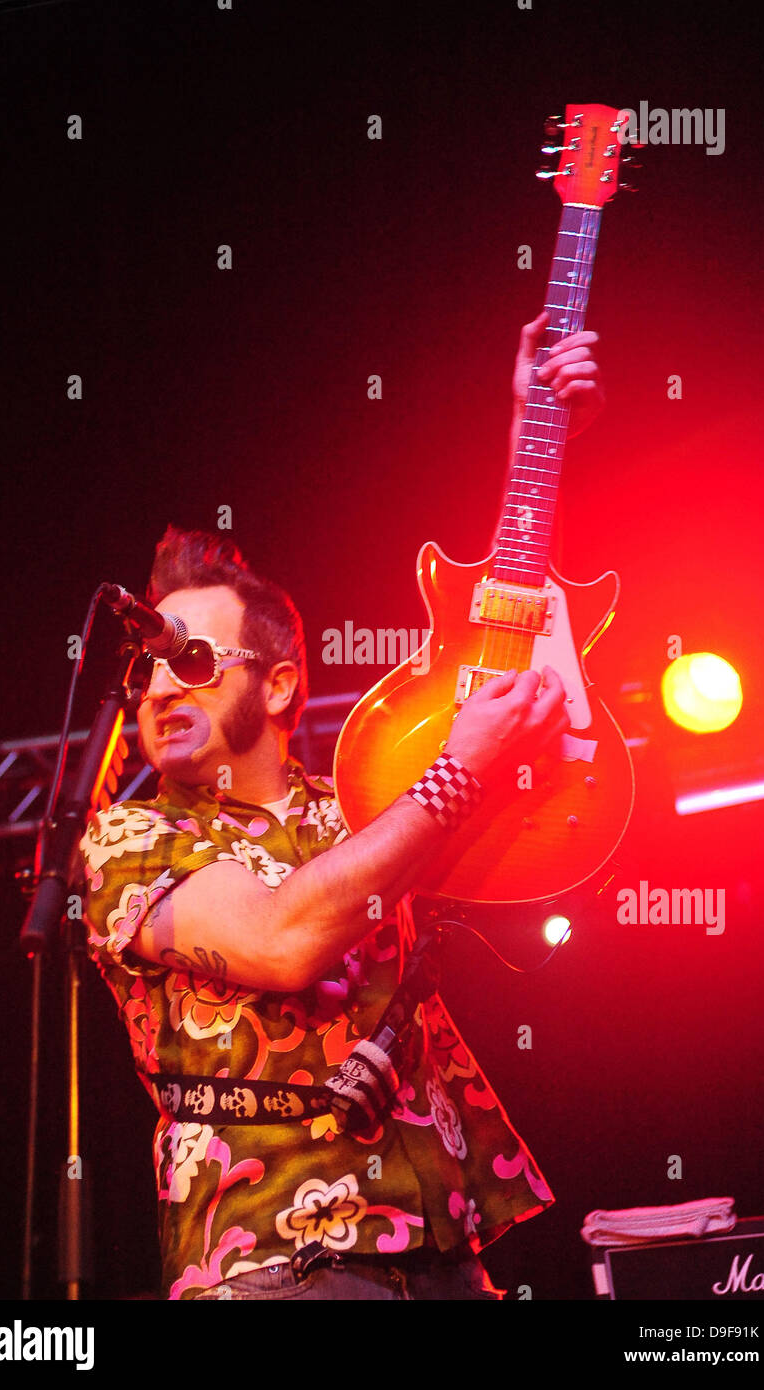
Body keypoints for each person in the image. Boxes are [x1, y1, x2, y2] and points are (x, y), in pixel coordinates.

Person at [78, 314, 604, 1300]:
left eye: (190, 661)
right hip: (281, 1267)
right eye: (144, 666)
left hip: (447, 1262)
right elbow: (281, 940)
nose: (156, 686)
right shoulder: (129, 837)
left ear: (277, 688)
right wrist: (452, 776)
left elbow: (514, 668)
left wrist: (536, 438)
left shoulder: (366, 800)